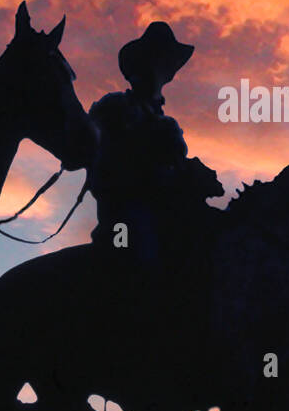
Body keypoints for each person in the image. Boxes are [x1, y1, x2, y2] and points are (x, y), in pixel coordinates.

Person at [87, 22, 223, 273]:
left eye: (162, 64)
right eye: (154, 62)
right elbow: (102, 160)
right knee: (143, 249)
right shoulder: (114, 106)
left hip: (166, 211)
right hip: (124, 216)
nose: (159, 71)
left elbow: (175, 168)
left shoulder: (166, 122)